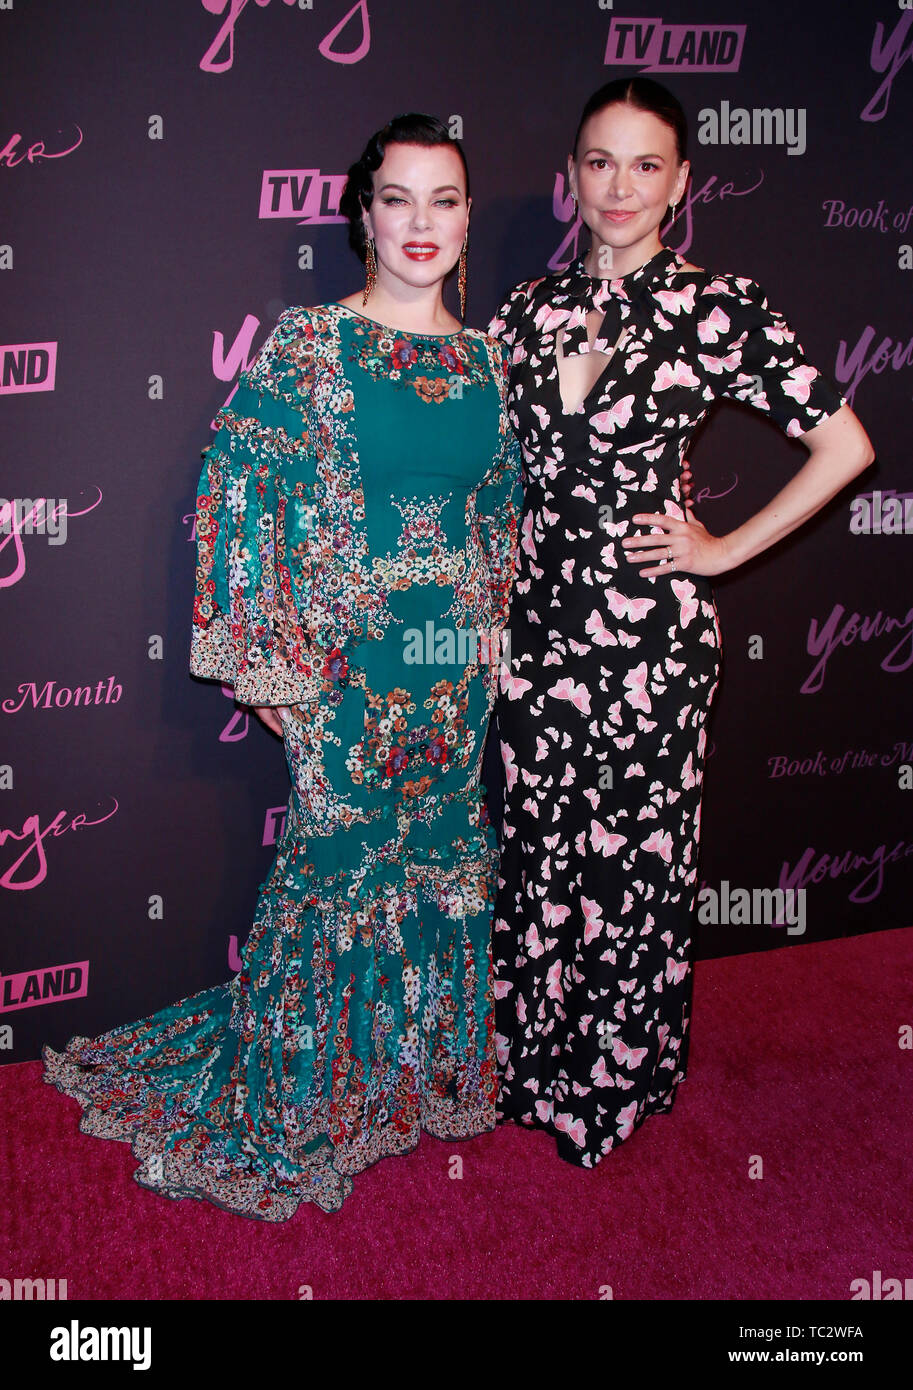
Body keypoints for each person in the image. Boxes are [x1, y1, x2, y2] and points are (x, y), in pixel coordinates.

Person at [41, 114, 522, 1219]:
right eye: (396, 197)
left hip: (454, 674)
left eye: (443, 199)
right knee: (335, 871)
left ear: (462, 219)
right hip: (342, 674)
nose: (420, 222)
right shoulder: (310, 344)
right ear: (362, 214)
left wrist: (489, 632)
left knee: (440, 865)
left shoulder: (490, 357)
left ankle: (408, 1078)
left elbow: (495, 510)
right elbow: (239, 505)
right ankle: (305, 1095)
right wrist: (276, 676)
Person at [486, 77, 874, 1168]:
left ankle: (613, 1078)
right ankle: (532, 1065)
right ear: (571, 175)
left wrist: (716, 551)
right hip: (534, 635)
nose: (619, 186)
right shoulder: (523, 312)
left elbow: (845, 450)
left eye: (645, 164)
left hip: (651, 643)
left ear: (682, 183)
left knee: (631, 861)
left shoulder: (722, 307)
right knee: (539, 851)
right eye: (599, 161)